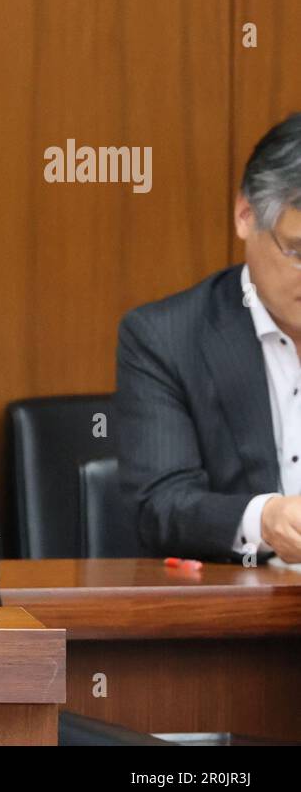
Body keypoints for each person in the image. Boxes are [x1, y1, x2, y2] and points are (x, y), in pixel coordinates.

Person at [117, 112, 301, 564]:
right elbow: (160, 504)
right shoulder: (165, 337)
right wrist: (264, 518)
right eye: (298, 251)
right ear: (245, 216)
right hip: (246, 615)